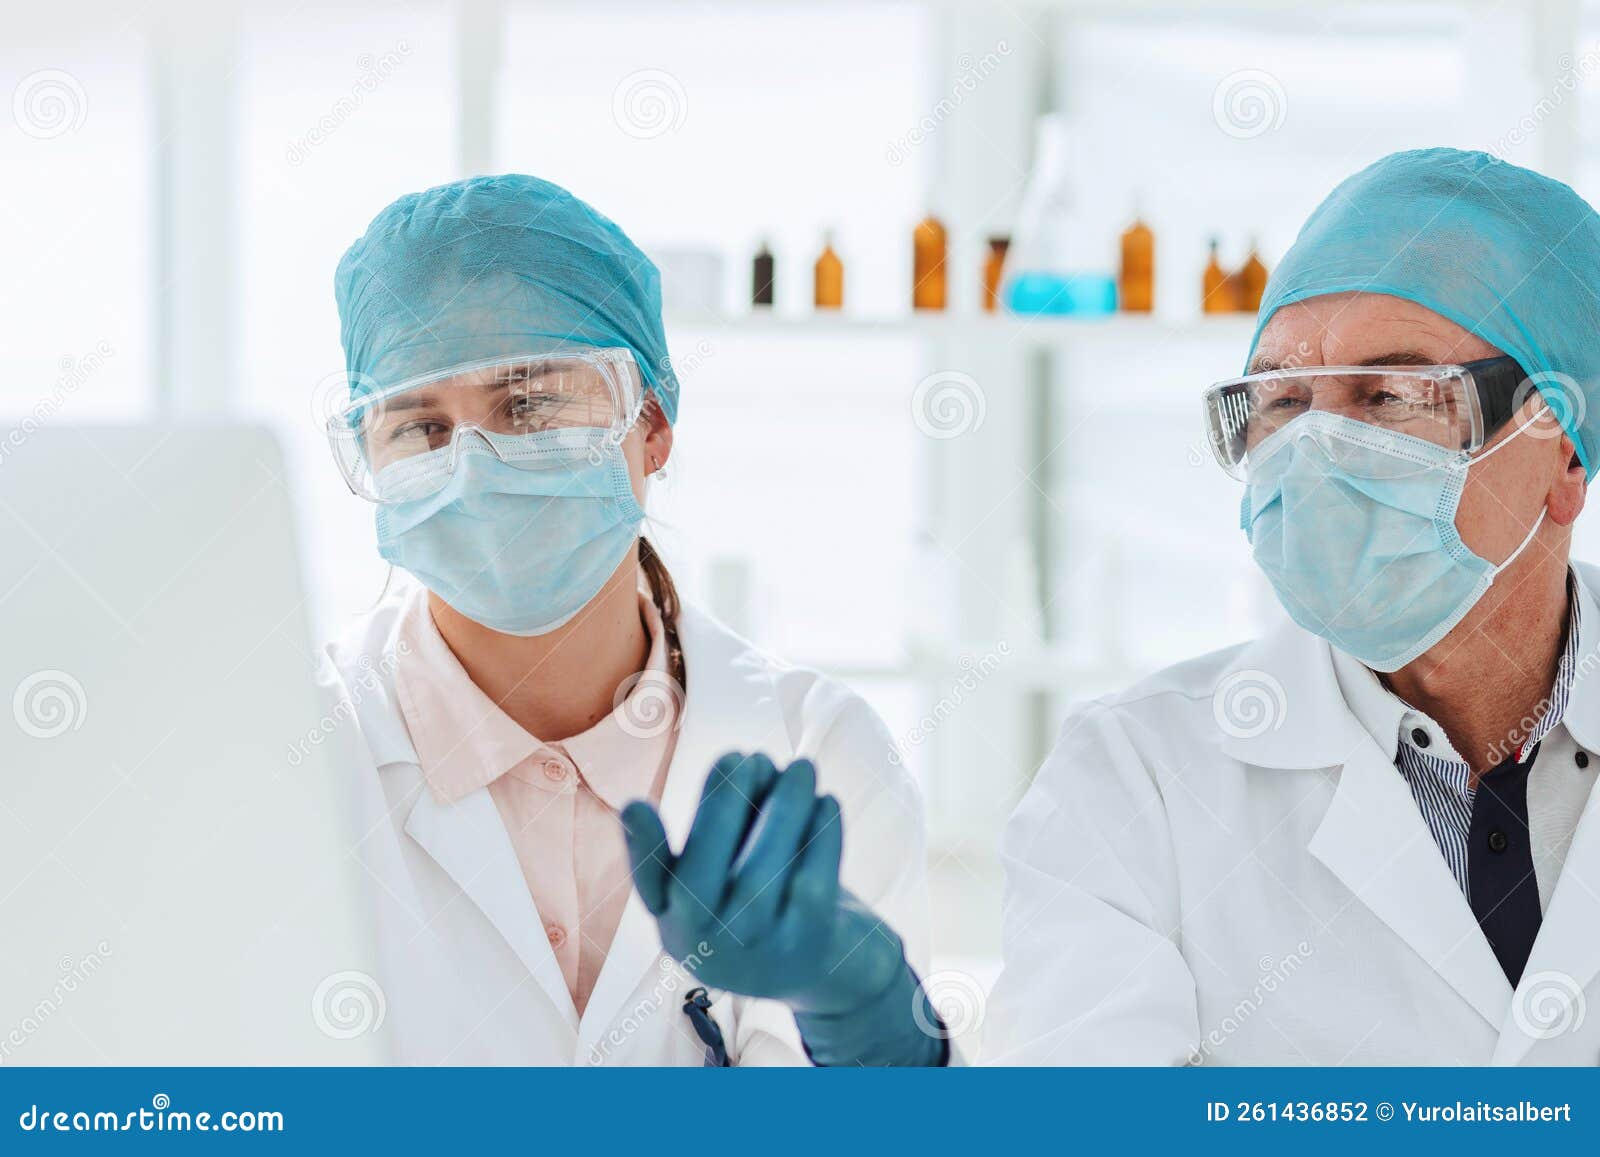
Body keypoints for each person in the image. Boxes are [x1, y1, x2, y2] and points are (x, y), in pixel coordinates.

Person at [629, 148, 1600, 1064]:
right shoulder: (1135, 781)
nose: (1313, 450)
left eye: (1389, 395)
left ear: (1561, 447)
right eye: (1278, 400)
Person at [316, 174, 929, 1065]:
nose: (475, 465)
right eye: (419, 427)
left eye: (527, 405)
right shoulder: (299, 758)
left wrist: (877, 1044)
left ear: (653, 428)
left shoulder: (819, 750)